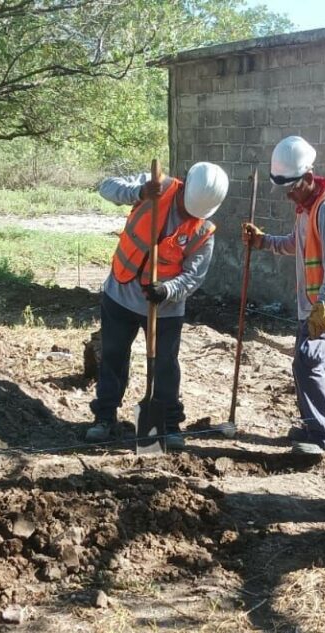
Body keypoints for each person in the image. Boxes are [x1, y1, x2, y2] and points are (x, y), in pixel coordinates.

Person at [86, 161, 228, 450]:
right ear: (184, 186)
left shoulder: (203, 230)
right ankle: (104, 417)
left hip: (164, 308)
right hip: (121, 292)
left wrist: (167, 290)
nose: (189, 215)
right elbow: (106, 187)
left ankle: (168, 424)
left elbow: (194, 276)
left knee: (165, 366)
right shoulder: (157, 185)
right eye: (188, 208)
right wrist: (139, 192)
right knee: (113, 356)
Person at [241, 136, 325, 456]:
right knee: (315, 365)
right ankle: (315, 426)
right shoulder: (305, 209)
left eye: (292, 187)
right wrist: (263, 242)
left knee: (308, 362)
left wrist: (323, 304)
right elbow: (295, 244)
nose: (288, 194)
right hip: (314, 304)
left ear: (308, 178)